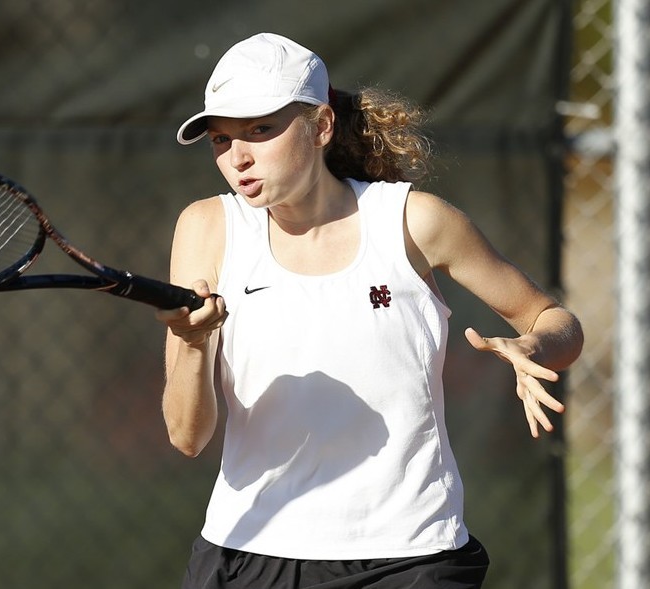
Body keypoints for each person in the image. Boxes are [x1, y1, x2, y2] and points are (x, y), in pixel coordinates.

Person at [156, 32, 584, 589]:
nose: (237, 157)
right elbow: (186, 437)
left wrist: (534, 345)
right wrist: (191, 344)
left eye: (260, 130)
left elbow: (556, 322)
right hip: (245, 553)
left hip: (409, 558)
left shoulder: (414, 221)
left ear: (321, 127)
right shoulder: (206, 228)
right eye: (220, 139)